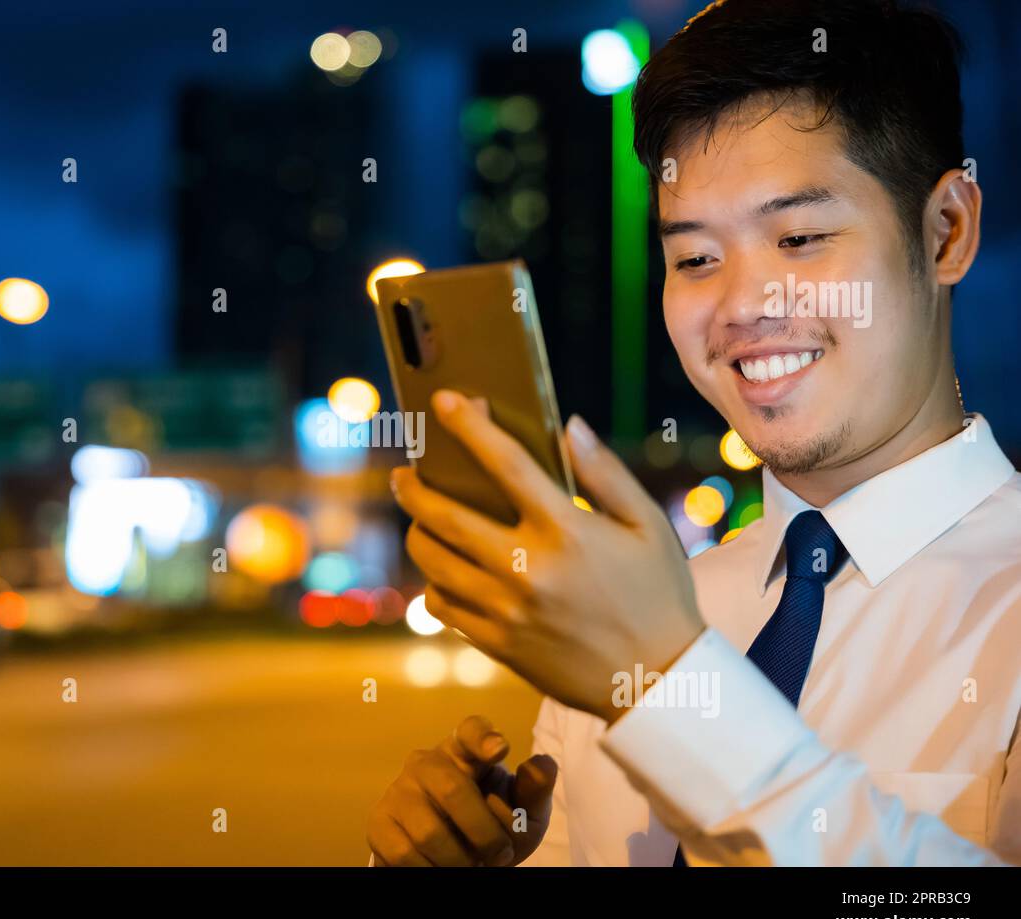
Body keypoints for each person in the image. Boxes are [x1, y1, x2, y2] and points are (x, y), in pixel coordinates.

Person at [366, 0, 1020, 866]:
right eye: (696, 259)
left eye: (800, 236)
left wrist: (667, 687)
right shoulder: (654, 606)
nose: (744, 306)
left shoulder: (645, 638)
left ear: (947, 231)